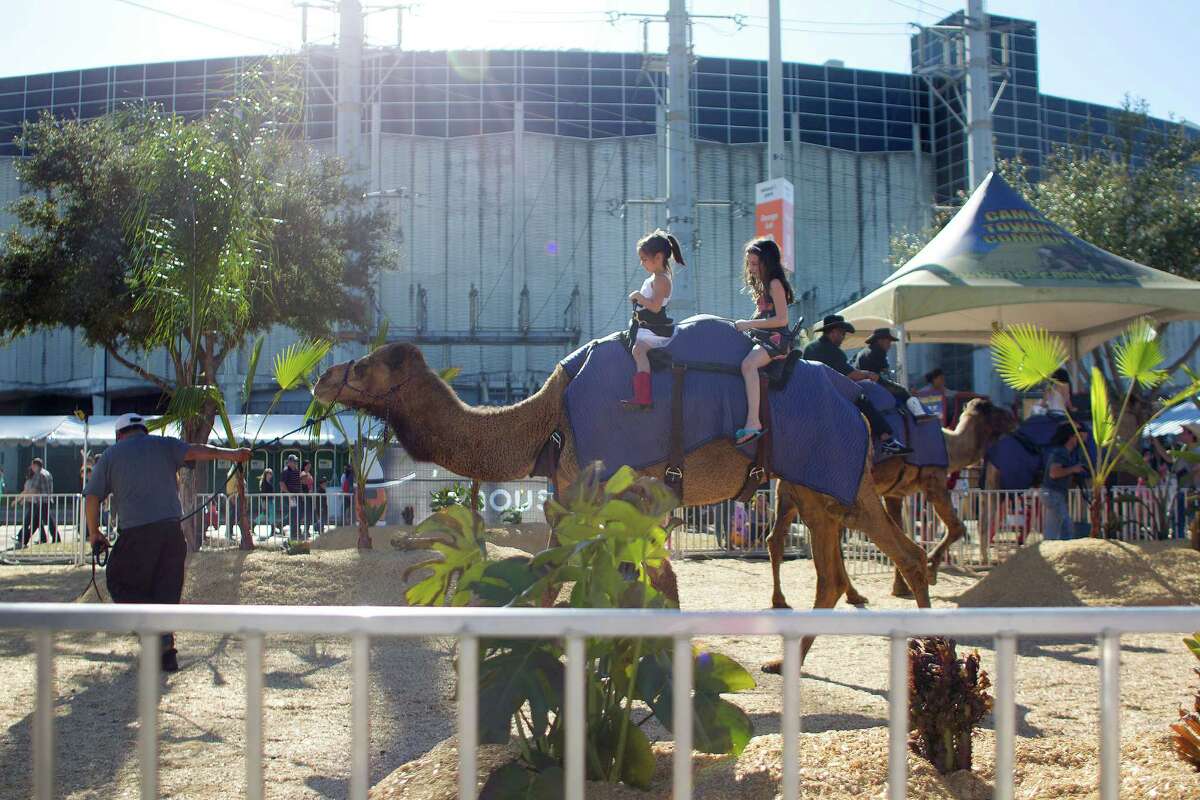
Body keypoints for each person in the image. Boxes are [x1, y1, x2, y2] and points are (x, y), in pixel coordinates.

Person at [85, 413, 250, 672]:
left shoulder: (111, 455)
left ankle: (154, 632)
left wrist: (94, 533)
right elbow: (198, 451)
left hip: (136, 535)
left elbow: (93, 496)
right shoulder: (164, 445)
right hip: (172, 535)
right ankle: (166, 653)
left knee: (119, 582)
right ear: (144, 431)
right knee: (166, 591)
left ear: (119, 435)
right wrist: (234, 455)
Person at [803, 315, 911, 456]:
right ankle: (887, 440)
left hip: (810, 395)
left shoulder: (810, 348)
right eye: (842, 333)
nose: (843, 337)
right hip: (830, 394)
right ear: (833, 331)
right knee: (863, 400)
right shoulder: (834, 351)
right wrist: (868, 375)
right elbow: (850, 374)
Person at [732, 237, 794, 444]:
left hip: (777, 340)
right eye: (749, 263)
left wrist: (749, 325)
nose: (751, 268)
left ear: (767, 262)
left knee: (748, 365)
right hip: (765, 336)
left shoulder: (775, 284)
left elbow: (782, 319)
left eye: (755, 264)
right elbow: (763, 317)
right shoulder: (764, 286)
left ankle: (753, 422)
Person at [622, 229, 686, 410]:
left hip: (655, 330)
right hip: (646, 327)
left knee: (638, 350)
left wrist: (639, 297)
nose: (642, 263)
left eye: (644, 259)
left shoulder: (661, 279)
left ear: (658, 258)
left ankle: (644, 396)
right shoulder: (655, 277)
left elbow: (656, 306)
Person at [853, 328, 934, 421]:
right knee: (903, 391)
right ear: (880, 340)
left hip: (863, 384)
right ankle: (919, 415)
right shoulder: (878, 351)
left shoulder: (863, 352)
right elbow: (885, 373)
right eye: (888, 342)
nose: (890, 345)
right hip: (875, 383)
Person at [1042, 422, 1089, 540]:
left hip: (1052, 493)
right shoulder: (1061, 452)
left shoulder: (1066, 453)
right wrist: (1074, 469)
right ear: (1071, 437)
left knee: (1054, 528)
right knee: (1065, 527)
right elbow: (1054, 473)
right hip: (1053, 493)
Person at [17, 458, 59, 547]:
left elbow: (34, 489)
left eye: (32, 465)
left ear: (36, 465)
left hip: (40, 501)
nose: (31, 467)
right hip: (47, 500)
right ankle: (23, 539)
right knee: (41, 521)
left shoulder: (38, 474)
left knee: (39, 522)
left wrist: (24, 498)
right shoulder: (47, 473)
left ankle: (23, 539)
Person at [278, 454, 306, 538]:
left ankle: (282, 524)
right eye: (294, 461)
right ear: (289, 462)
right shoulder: (286, 471)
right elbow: (282, 484)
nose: (296, 463)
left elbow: (299, 483)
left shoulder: (297, 471)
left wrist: (301, 494)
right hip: (290, 496)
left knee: (299, 512)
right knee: (294, 513)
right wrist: (289, 493)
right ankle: (295, 533)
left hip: (297, 495)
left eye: (296, 461)